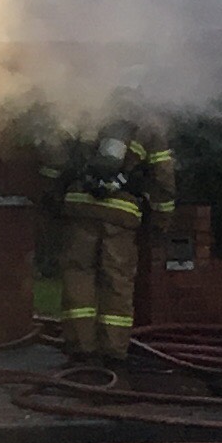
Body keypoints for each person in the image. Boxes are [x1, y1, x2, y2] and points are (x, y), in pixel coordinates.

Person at [50, 116, 178, 366]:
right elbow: (163, 179)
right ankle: (113, 350)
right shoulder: (149, 127)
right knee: (116, 280)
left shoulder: (88, 111)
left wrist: (53, 200)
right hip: (121, 213)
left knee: (78, 275)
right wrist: (161, 222)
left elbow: (57, 159)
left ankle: (80, 347)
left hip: (80, 208)